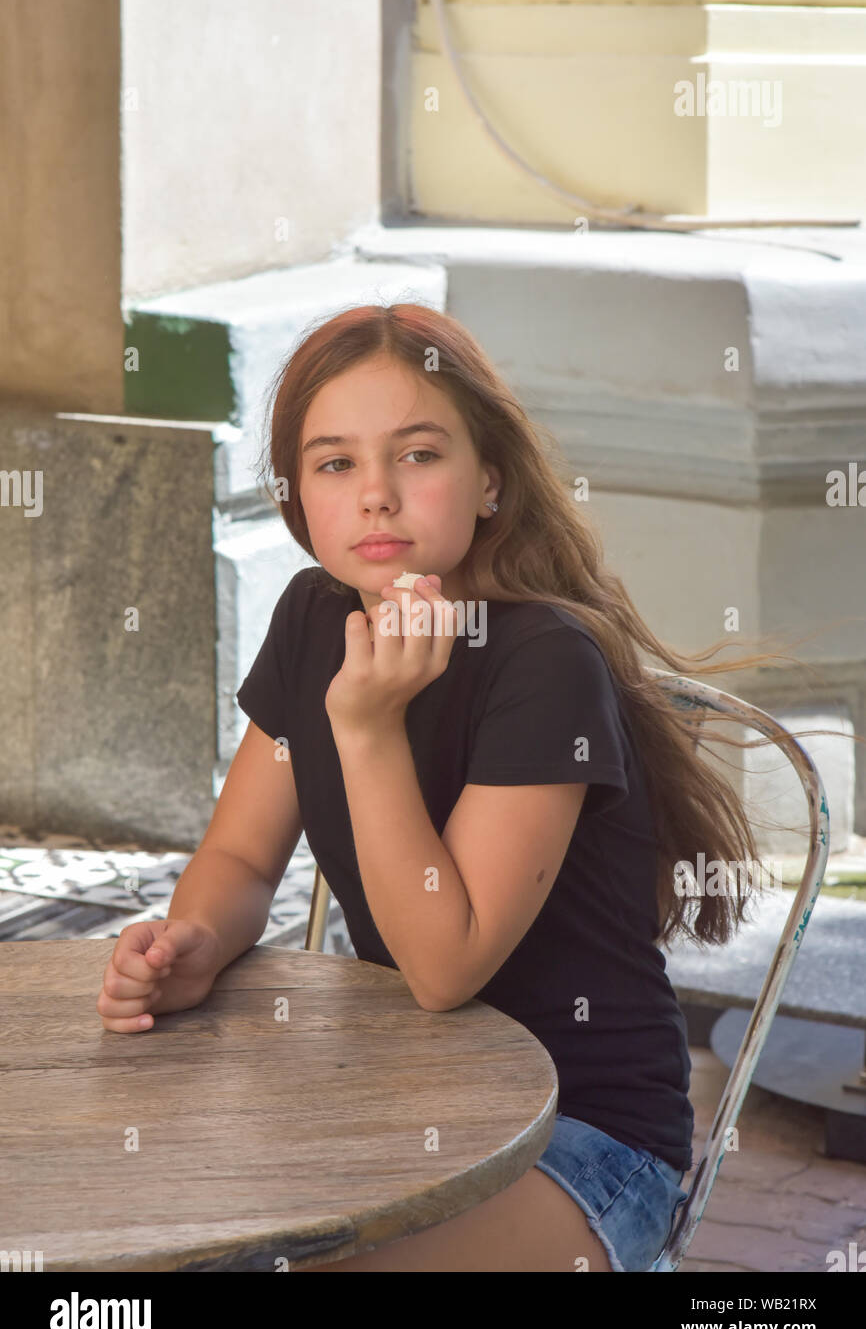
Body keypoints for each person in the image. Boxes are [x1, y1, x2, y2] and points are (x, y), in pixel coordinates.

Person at [96, 303, 831, 1272]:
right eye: (334, 463)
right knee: (127, 1223)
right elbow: (238, 855)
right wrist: (195, 937)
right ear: (295, 495)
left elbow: (445, 968)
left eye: (416, 454)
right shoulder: (315, 617)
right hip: (396, 1100)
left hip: (577, 1142)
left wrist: (365, 727)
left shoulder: (542, 661)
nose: (376, 497)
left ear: (488, 478)